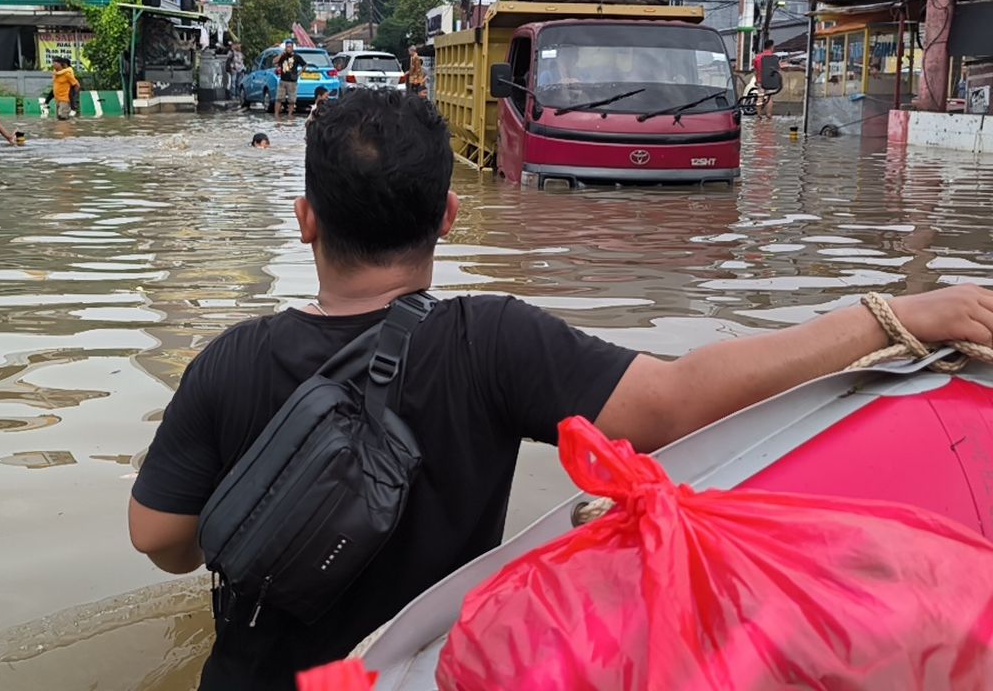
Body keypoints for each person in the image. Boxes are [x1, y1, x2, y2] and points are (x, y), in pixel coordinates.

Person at [127, 89, 993, 691]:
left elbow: (157, 536)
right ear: (450, 217)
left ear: (305, 217)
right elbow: (678, 402)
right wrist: (905, 313)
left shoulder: (228, 362)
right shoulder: (489, 340)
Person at [272, 40, 306, 124]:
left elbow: (304, 65)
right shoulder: (283, 56)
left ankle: (290, 115)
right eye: (287, 47)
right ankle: (276, 115)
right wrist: (281, 55)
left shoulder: (297, 57)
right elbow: (274, 62)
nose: (288, 48)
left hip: (292, 81)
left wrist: (299, 73)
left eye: (290, 47)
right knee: (279, 98)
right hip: (283, 80)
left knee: (292, 100)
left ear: (292, 48)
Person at [753, 38, 779, 120]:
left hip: (760, 80)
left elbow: (755, 69)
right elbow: (777, 69)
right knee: (770, 97)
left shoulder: (758, 57)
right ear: (771, 47)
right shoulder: (774, 57)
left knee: (760, 97)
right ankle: (769, 114)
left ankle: (759, 114)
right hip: (771, 80)